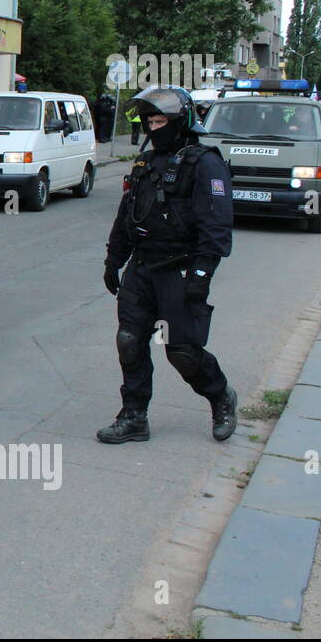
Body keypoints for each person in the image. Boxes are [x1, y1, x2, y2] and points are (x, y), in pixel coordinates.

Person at [100, 85, 237, 444]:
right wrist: (114, 259)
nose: (153, 128)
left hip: (180, 269)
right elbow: (127, 215)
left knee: (181, 352)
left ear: (181, 122)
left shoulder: (205, 163)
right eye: (149, 121)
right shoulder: (145, 162)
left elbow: (216, 225)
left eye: (161, 121)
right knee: (130, 340)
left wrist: (201, 275)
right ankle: (133, 417)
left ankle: (220, 396)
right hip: (142, 268)